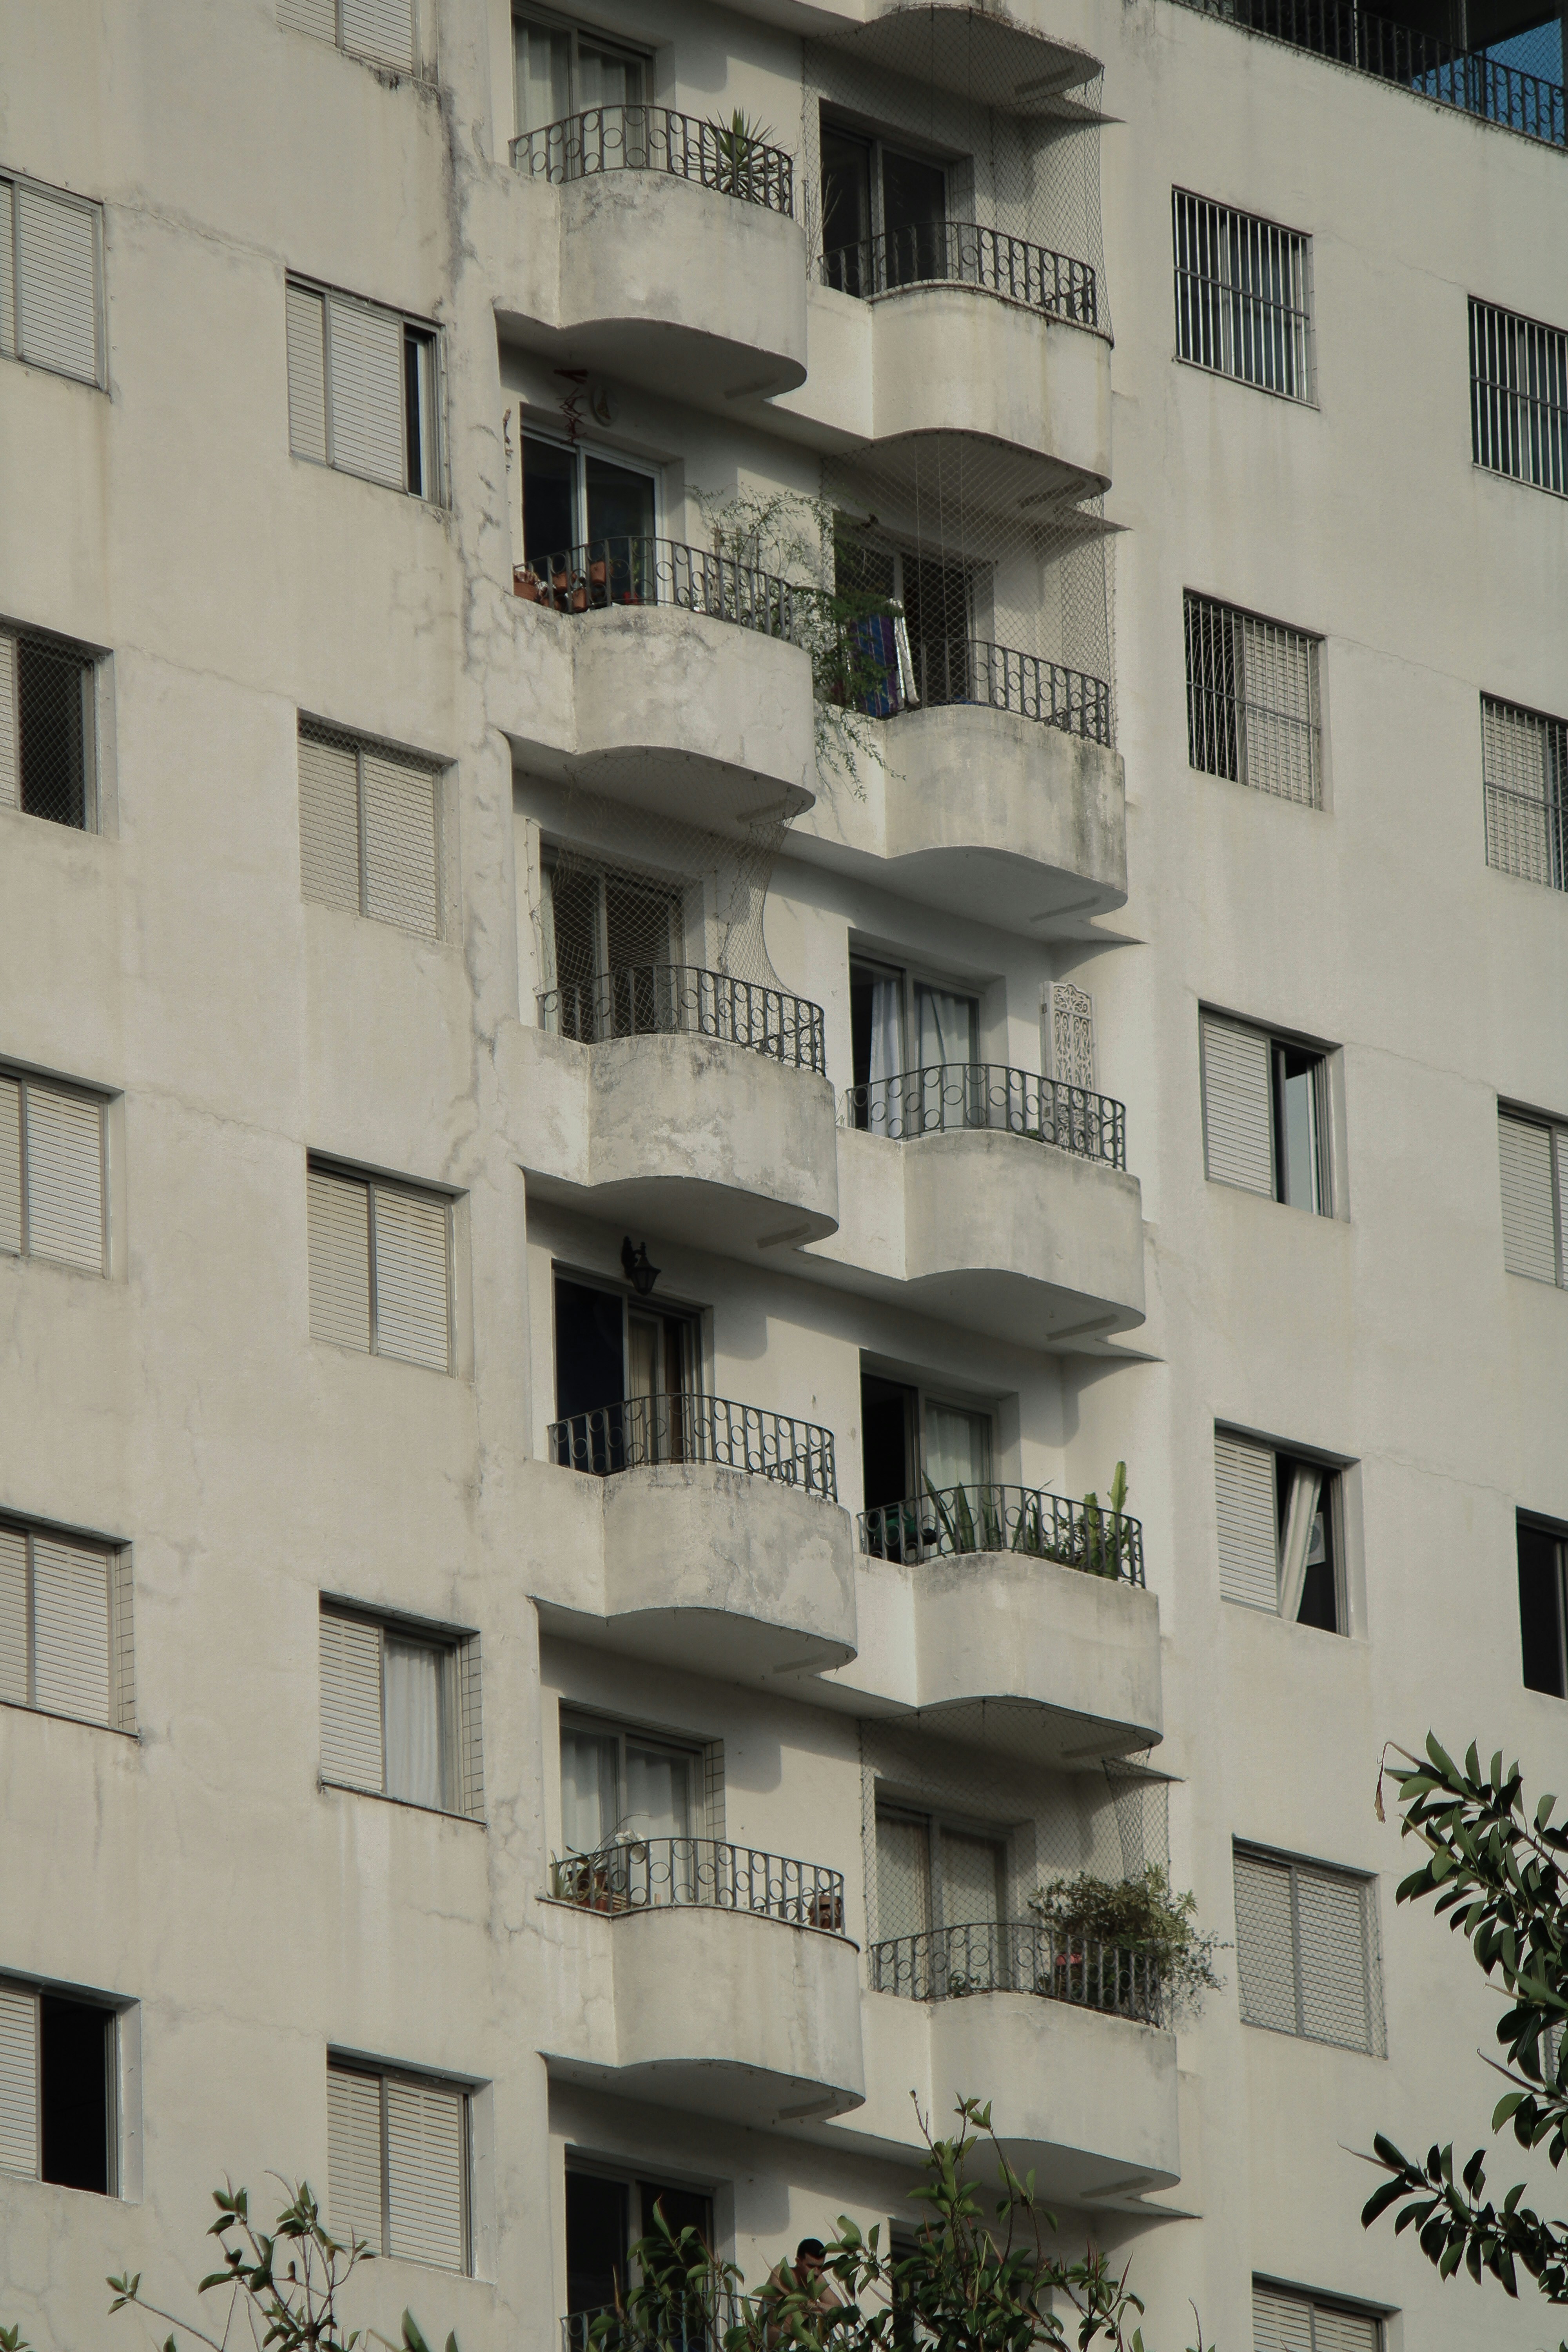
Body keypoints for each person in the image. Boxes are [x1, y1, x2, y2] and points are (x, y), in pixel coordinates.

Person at [760, 2238, 842, 2344]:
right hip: (755, 2346)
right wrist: (819, 2308)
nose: (816, 2272)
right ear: (798, 2262)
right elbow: (787, 2303)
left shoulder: (816, 2279)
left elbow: (838, 2310)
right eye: (811, 2266)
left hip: (784, 2348)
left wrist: (812, 2306)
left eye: (820, 2267)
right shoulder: (782, 2273)